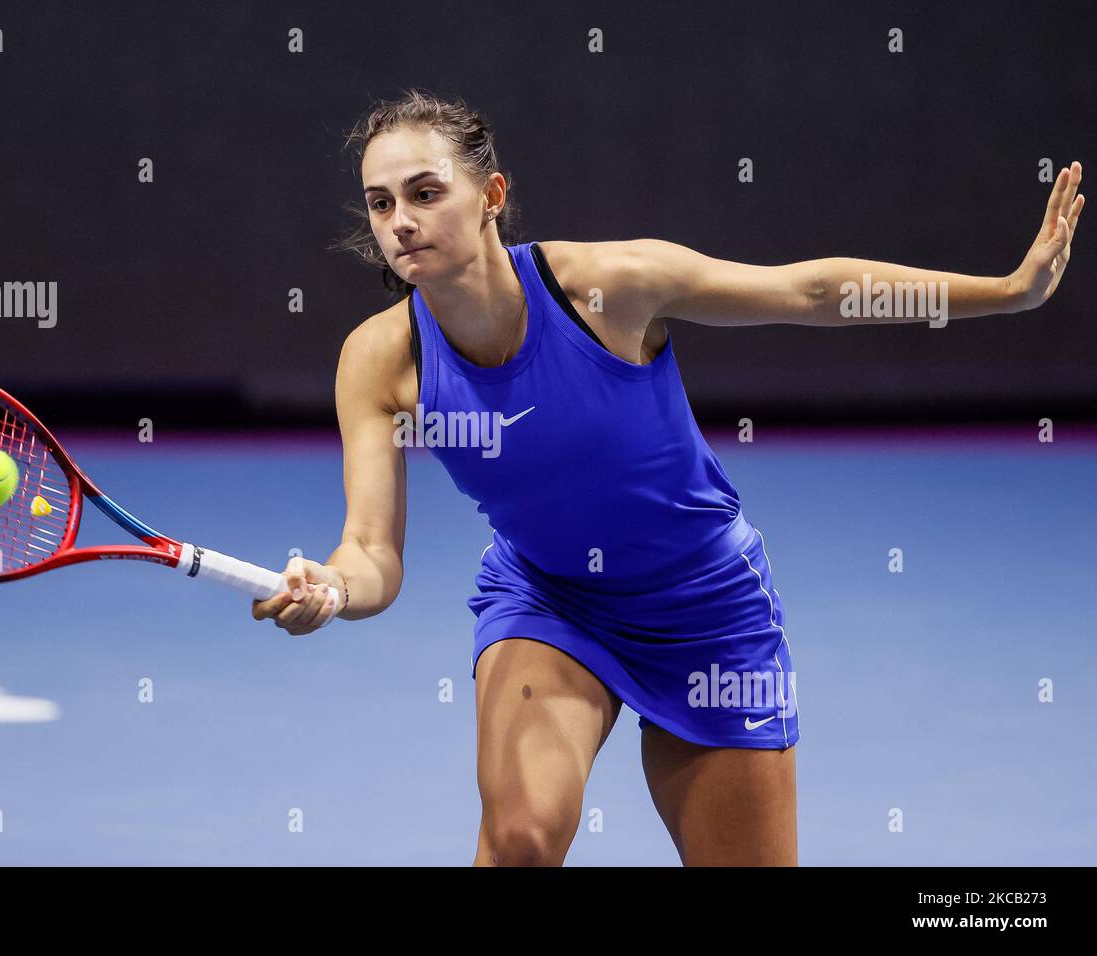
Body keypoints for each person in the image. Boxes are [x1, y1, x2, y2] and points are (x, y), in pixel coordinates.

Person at [252, 89, 1083, 866]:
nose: (400, 221)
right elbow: (370, 550)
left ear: (491, 194)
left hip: (706, 609)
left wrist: (1007, 293)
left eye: (426, 192)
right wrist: (331, 584)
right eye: (381, 201)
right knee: (520, 839)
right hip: (551, 601)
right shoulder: (377, 359)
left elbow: (808, 291)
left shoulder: (606, 289)